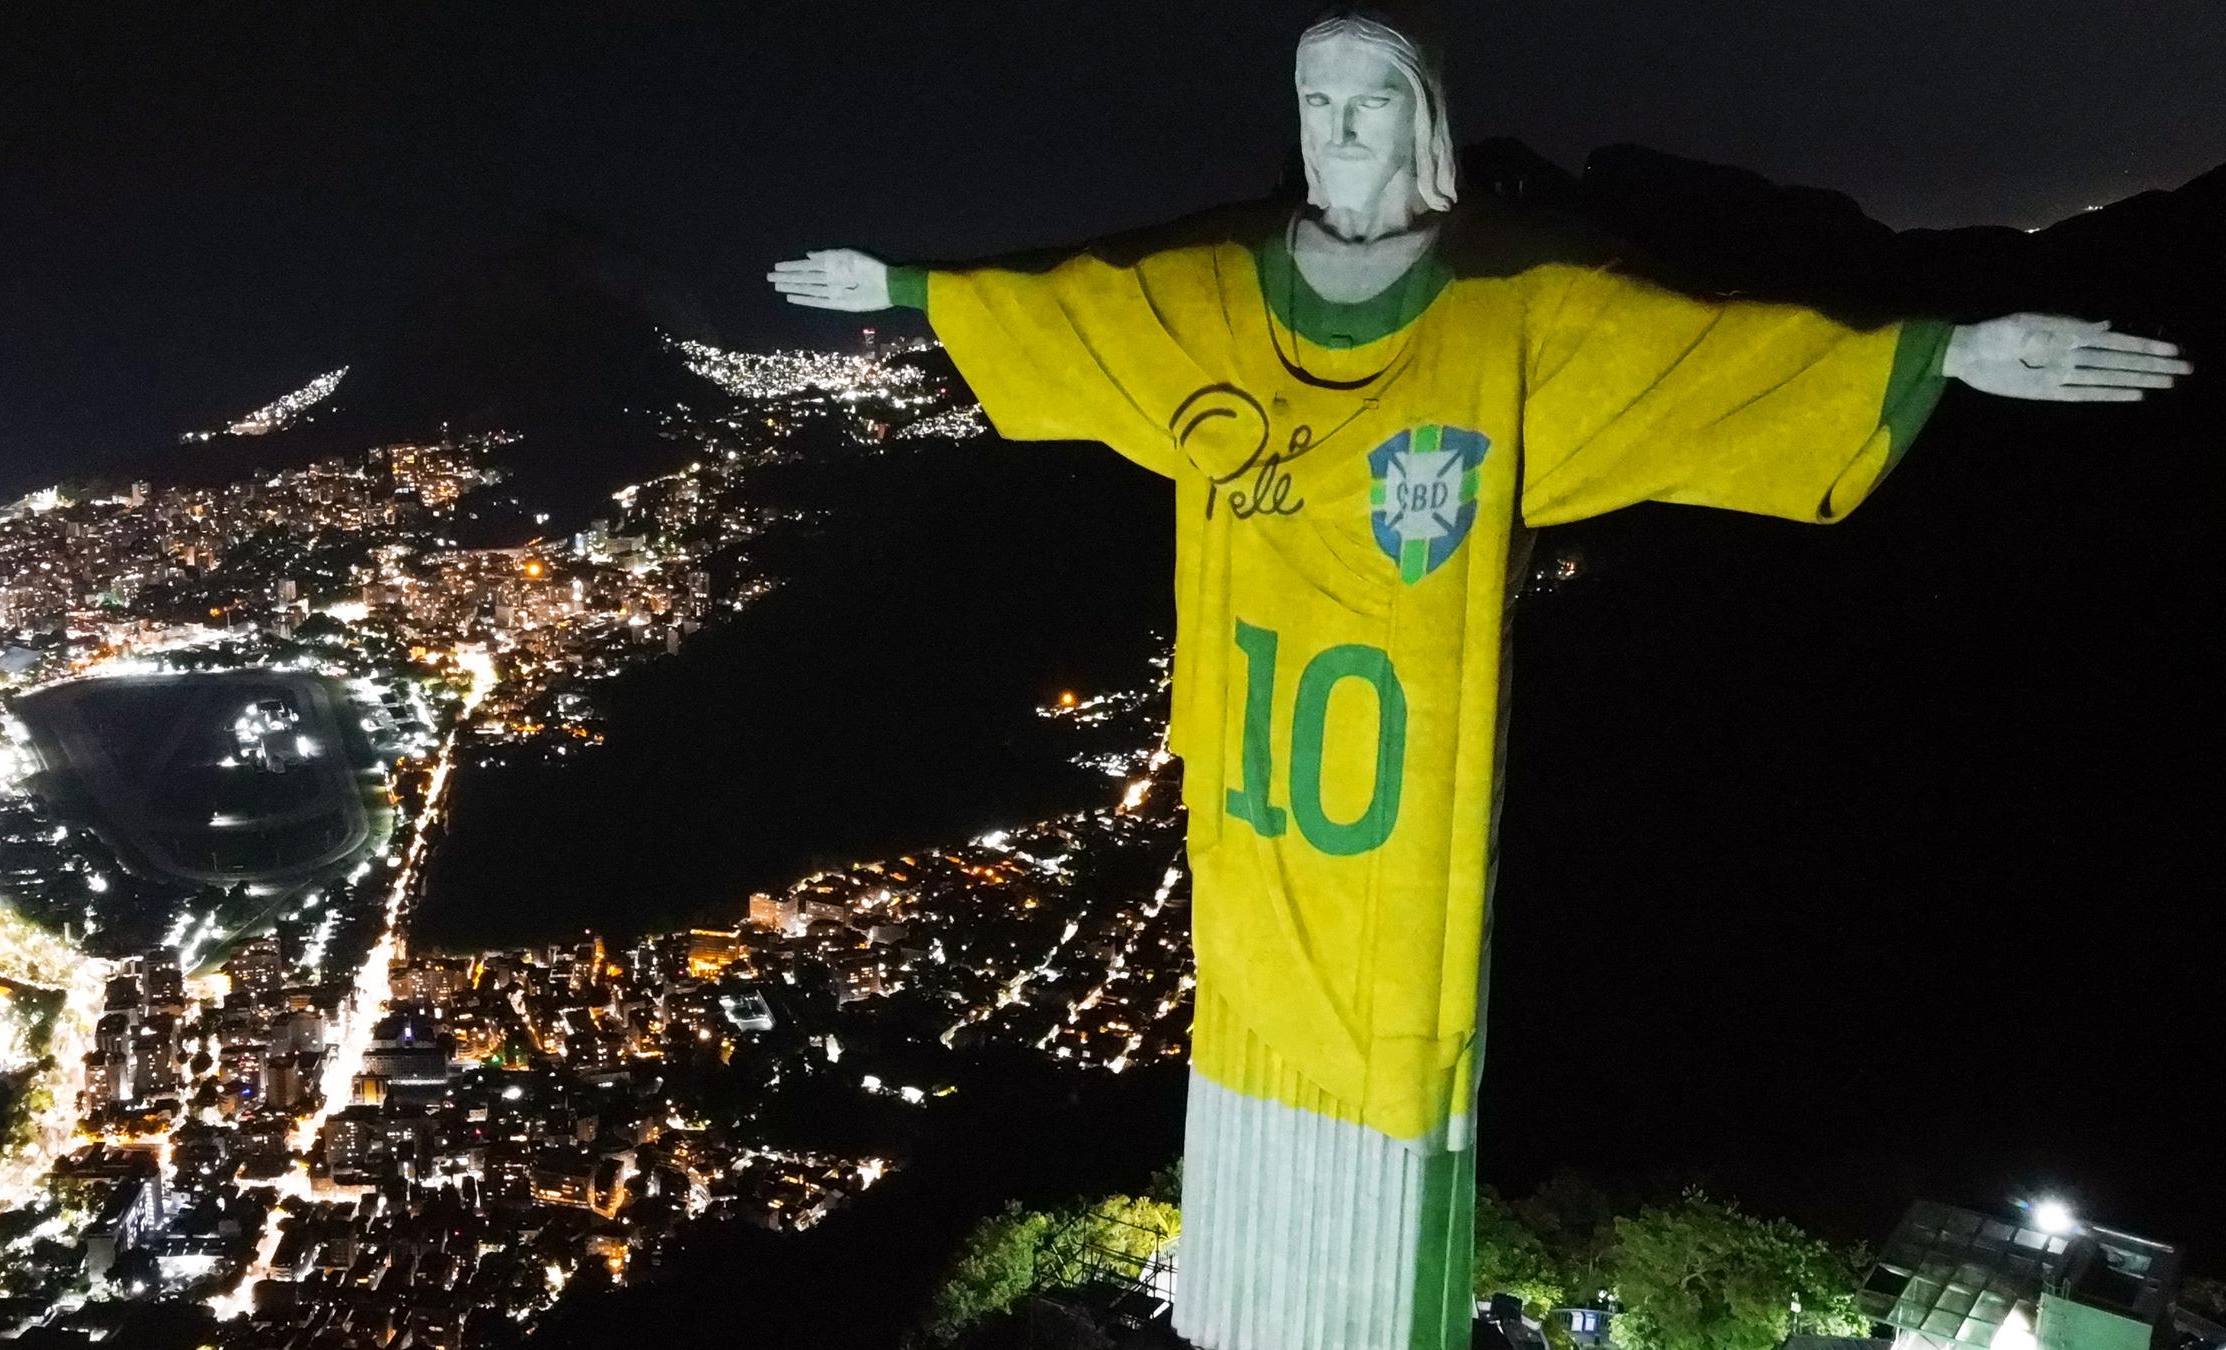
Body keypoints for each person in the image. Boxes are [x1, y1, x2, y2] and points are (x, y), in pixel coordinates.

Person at [768, 6, 2191, 1348]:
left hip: (1398, 828)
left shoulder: (1508, 321)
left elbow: (1707, 368)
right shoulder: (1214, 306)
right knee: (1242, 1050)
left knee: (1399, 1097)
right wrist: (903, 288)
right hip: (1260, 812)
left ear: (1424, 125)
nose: (1335, 131)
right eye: (1314, 104)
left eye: (1368, 104)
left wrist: (1944, 352)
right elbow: (1076, 314)